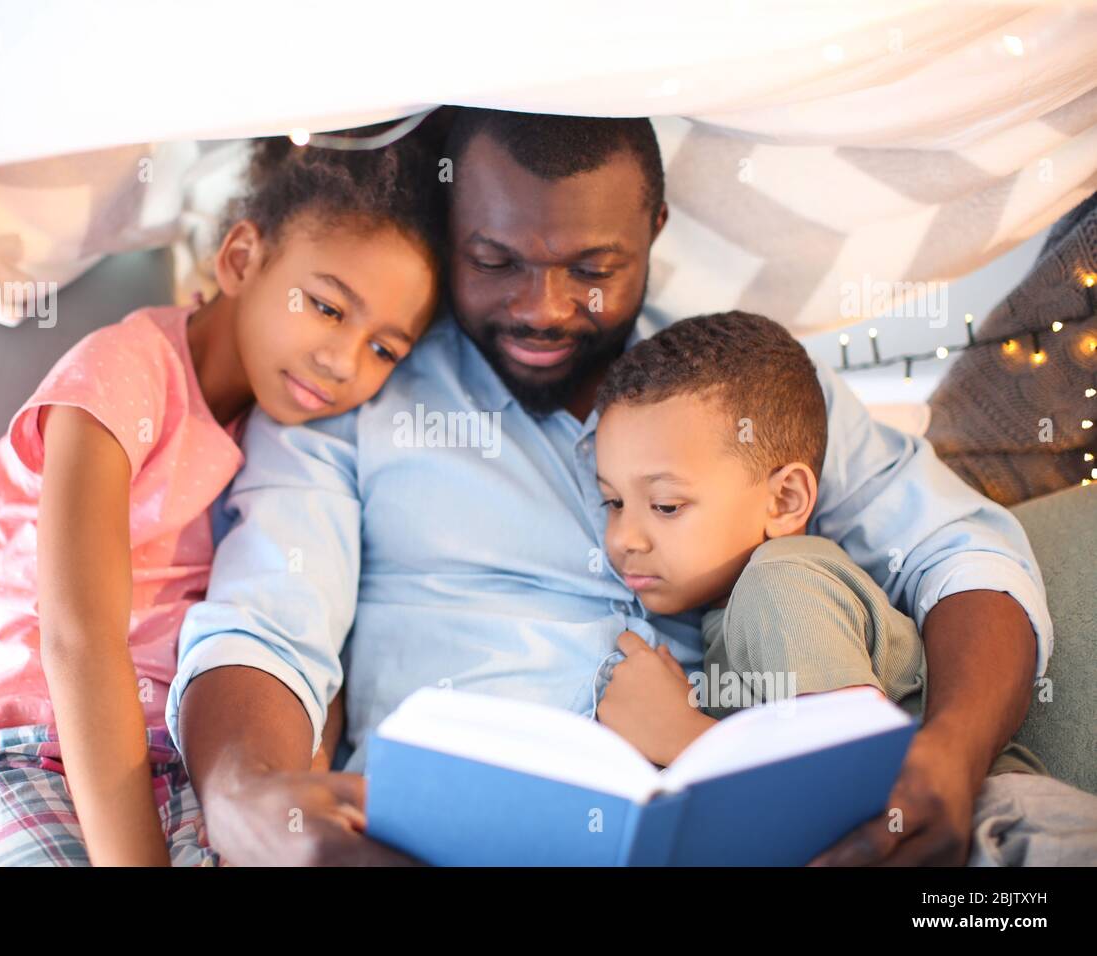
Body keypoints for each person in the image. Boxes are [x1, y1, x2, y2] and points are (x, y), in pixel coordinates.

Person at [169, 108, 1076, 866]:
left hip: (759, 823)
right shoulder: (353, 391)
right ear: (452, 236)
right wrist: (246, 793)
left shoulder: (742, 377)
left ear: (655, 229)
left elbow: (960, 550)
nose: (544, 308)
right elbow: (267, 624)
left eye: (593, 271)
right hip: (467, 842)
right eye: (496, 262)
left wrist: (952, 752)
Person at [0, 129, 443, 866]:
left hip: (177, 766)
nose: (343, 361)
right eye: (327, 307)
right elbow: (75, 635)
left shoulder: (279, 443)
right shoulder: (126, 370)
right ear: (239, 259)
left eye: (384, 348)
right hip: (26, 743)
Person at [591, 311, 1047, 787]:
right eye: (613, 502)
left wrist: (681, 735)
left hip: (998, 822)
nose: (623, 538)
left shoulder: (781, 584)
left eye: (665, 505)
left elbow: (851, 787)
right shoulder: (737, 612)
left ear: (785, 500)